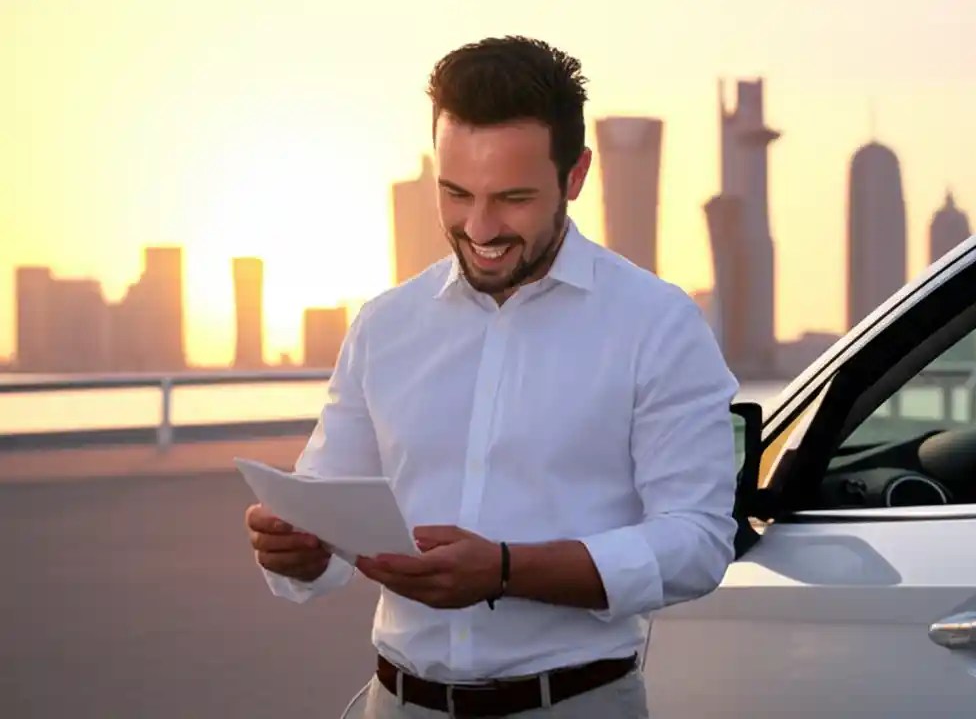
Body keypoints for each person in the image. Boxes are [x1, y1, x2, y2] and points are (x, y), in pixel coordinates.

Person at [243, 35, 740, 718]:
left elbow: (697, 543)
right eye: (455, 194)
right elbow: (331, 523)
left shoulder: (658, 324)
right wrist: (296, 552)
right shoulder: (385, 325)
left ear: (575, 176)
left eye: (512, 198)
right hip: (396, 703)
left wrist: (507, 570)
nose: (479, 227)